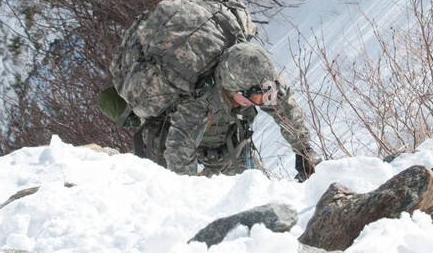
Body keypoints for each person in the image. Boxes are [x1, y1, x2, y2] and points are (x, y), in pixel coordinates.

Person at [137, 42, 321, 179]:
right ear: (234, 90)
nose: (261, 102)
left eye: (266, 95)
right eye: (255, 98)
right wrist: (190, 193)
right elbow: (179, 151)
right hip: (170, 150)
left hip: (227, 147)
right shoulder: (198, 103)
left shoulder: (259, 82)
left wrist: (303, 150)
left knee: (259, 191)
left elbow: (285, 109)